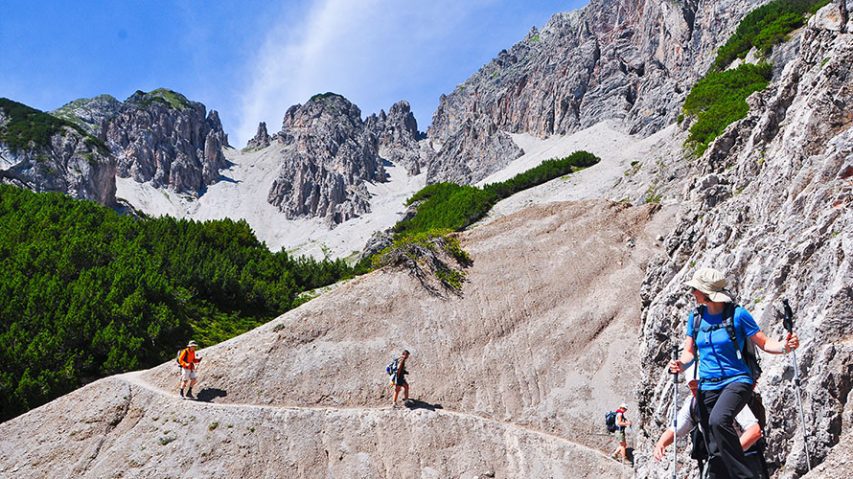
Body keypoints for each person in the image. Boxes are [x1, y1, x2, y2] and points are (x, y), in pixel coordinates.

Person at [669, 268, 799, 478]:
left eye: (695, 289)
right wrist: (680, 365)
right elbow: (689, 352)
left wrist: (785, 346)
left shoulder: (738, 314)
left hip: (737, 381)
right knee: (714, 447)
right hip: (707, 386)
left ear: (706, 292)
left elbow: (764, 343)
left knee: (718, 421)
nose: (692, 292)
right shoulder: (695, 318)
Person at [654, 370, 769, 478]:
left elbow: (755, 431)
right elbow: (674, 430)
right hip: (718, 462)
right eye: (692, 387)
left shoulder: (731, 399)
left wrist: (730, 453)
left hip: (745, 459)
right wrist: (661, 443)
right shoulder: (693, 405)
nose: (696, 391)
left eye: (698, 385)